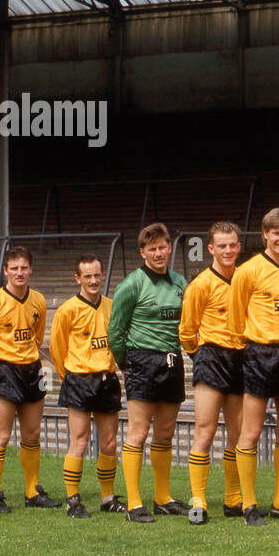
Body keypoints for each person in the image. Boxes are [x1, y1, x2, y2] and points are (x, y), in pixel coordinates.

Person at [230, 208, 279, 523]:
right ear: (265, 234)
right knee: (250, 430)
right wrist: (249, 351)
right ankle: (249, 504)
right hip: (259, 354)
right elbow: (236, 318)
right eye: (276, 233)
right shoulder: (248, 271)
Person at [108, 223, 192, 525]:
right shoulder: (131, 284)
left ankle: (163, 498)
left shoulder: (181, 283)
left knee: (165, 433)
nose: (158, 253)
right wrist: (126, 363)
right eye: (152, 248)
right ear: (142, 252)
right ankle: (133, 503)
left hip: (172, 361)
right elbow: (115, 331)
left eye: (162, 247)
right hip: (142, 361)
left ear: (169, 248)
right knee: (139, 432)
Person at [0, 245, 53, 513]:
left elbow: (37, 337)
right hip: (4, 370)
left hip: (33, 370)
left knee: (32, 434)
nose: (20, 273)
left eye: (24, 268)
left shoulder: (38, 300)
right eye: (14, 268)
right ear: (5, 271)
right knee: (1, 435)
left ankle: (32, 491)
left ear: (30, 270)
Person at [180, 221, 246, 525]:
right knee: (205, 430)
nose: (228, 250)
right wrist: (202, 356)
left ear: (239, 246)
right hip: (210, 357)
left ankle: (234, 498)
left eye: (233, 245)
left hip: (242, 358)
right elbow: (186, 333)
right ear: (210, 249)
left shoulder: (246, 280)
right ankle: (198, 500)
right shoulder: (200, 285)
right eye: (222, 246)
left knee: (238, 433)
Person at [50, 254, 123, 518]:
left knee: (110, 443)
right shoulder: (67, 309)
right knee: (79, 442)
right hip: (79, 379)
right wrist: (69, 376)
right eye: (87, 276)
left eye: (97, 275)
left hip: (107, 378)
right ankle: (73, 500)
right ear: (77, 278)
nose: (93, 281)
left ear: (103, 276)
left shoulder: (112, 306)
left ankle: (107, 498)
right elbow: (57, 349)